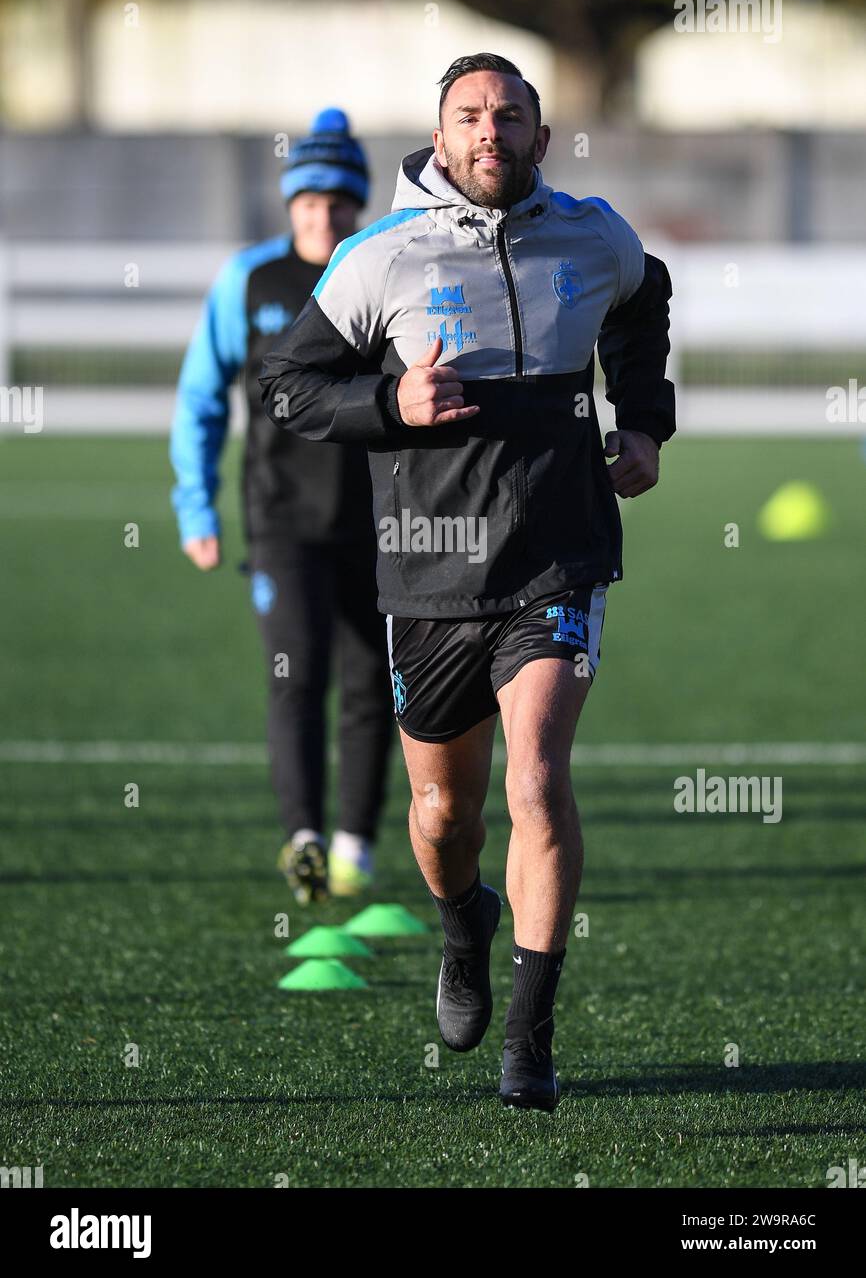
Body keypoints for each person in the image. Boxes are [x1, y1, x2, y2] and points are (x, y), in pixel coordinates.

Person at [260, 54, 675, 1108]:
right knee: (443, 815)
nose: (490, 131)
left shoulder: (592, 235)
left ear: (541, 134)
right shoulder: (377, 258)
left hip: (559, 558)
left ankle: (528, 1044)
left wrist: (641, 419)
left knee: (534, 781)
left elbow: (643, 299)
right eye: (469, 117)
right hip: (430, 573)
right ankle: (462, 924)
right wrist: (390, 406)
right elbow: (289, 387)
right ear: (438, 140)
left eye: (510, 115)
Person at [170, 108, 393, 905]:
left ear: (358, 204)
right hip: (281, 523)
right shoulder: (251, 281)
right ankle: (302, 837)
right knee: (296, 674)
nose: (321, 214)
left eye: (337, 201)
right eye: (307, 199)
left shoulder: (383, 273)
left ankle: (355, 846)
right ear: (288, 201)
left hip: (380, 525)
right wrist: (196, 509)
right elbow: (200, 398)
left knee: (376, 685)